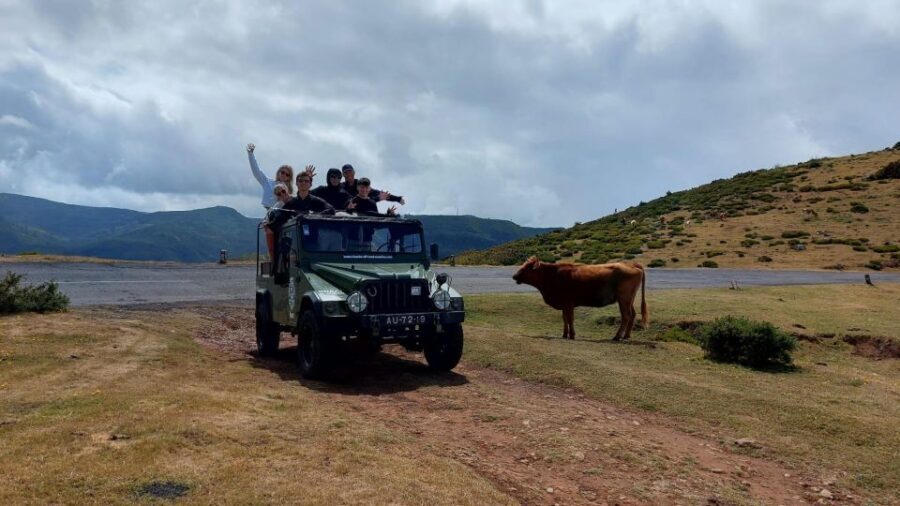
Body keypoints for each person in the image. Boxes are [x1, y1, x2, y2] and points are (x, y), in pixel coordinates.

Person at [247, 143, 294, 209]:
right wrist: (250, 154)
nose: (284, 175)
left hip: (283, 215)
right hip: (269, 214)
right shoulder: (267, 182)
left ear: (289, 177)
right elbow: (256, 170)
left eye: (287, 174)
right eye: (283, 172)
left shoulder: (289, 191)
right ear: (278, 172)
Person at [340, 164, 406, 205]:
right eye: (346, 173)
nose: (349, 174)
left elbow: (381, 194)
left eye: (350, 172)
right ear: (343, 175)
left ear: (354, 172)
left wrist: (398, 199)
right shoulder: (341, 187)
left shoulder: (361, 184)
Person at [263, 183, 292, 260]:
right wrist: (266, 223)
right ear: (277, 196)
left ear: (287, 190)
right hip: (284, 230)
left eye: (283, 191)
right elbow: (268, 216)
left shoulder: (296, 199)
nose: (282, 194)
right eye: (279, 194)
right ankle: (274, 261)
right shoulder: (277, 206)